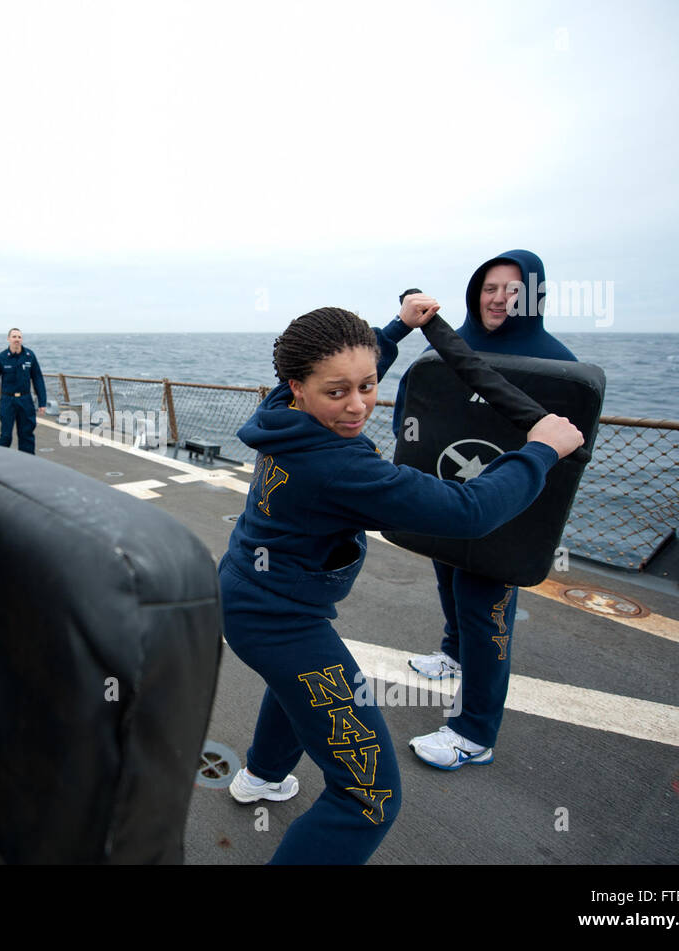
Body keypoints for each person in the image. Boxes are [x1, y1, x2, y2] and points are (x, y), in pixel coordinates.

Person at [219, 306, 583, 864]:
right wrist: (540, 450)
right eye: (338, 392)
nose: (359, 404)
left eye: (368, 385)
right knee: (368, 796)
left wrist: (396, 328)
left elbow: (346, 371)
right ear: (299, 386)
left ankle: (263, 777)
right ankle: (270, 778)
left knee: (297, 686)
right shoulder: (342, 468)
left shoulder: (280, 410)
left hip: (246, 590)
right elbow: (469, 511)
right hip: (280, 620)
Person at [394, 250, 579, 771]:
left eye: (514, 290)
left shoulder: (557, 362)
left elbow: (565, 445)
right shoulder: (454, 348)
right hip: (448, 496)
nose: (499, 299)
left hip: (506, 512)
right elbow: (414, 410)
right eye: (490, 287)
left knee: (487, 613)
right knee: (448, 577)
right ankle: (452, 653)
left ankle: (475, 733)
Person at [0, 328, 47, 453]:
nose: (17, 339)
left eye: (19, 337)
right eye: (14, 337)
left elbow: (38, 379)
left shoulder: (30, 356)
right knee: (6, 436)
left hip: (25, 400)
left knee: (26, 435)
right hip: (8, 401)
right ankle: (0, 463)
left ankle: (27, 465)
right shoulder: (0, 358)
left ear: (21, 339)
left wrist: (42, 402)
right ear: (8, 339)